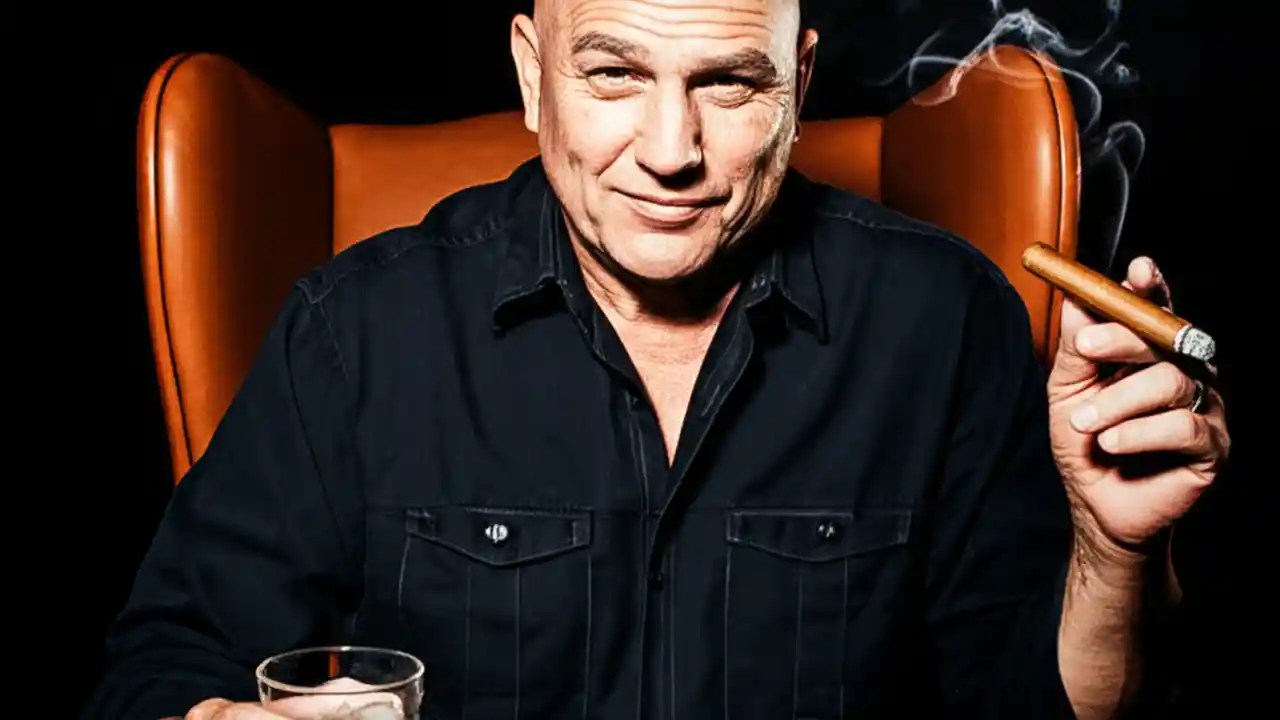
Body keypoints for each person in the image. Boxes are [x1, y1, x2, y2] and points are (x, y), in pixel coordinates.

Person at [83, 1, 1230, 718]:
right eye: (613, 75)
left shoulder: (944, 320)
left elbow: (1049, 704)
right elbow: (152, 675)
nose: (671, 153)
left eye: (728, 82)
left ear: (797, 84)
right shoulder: (357, 329)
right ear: (531, 73)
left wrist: (1114, 552)